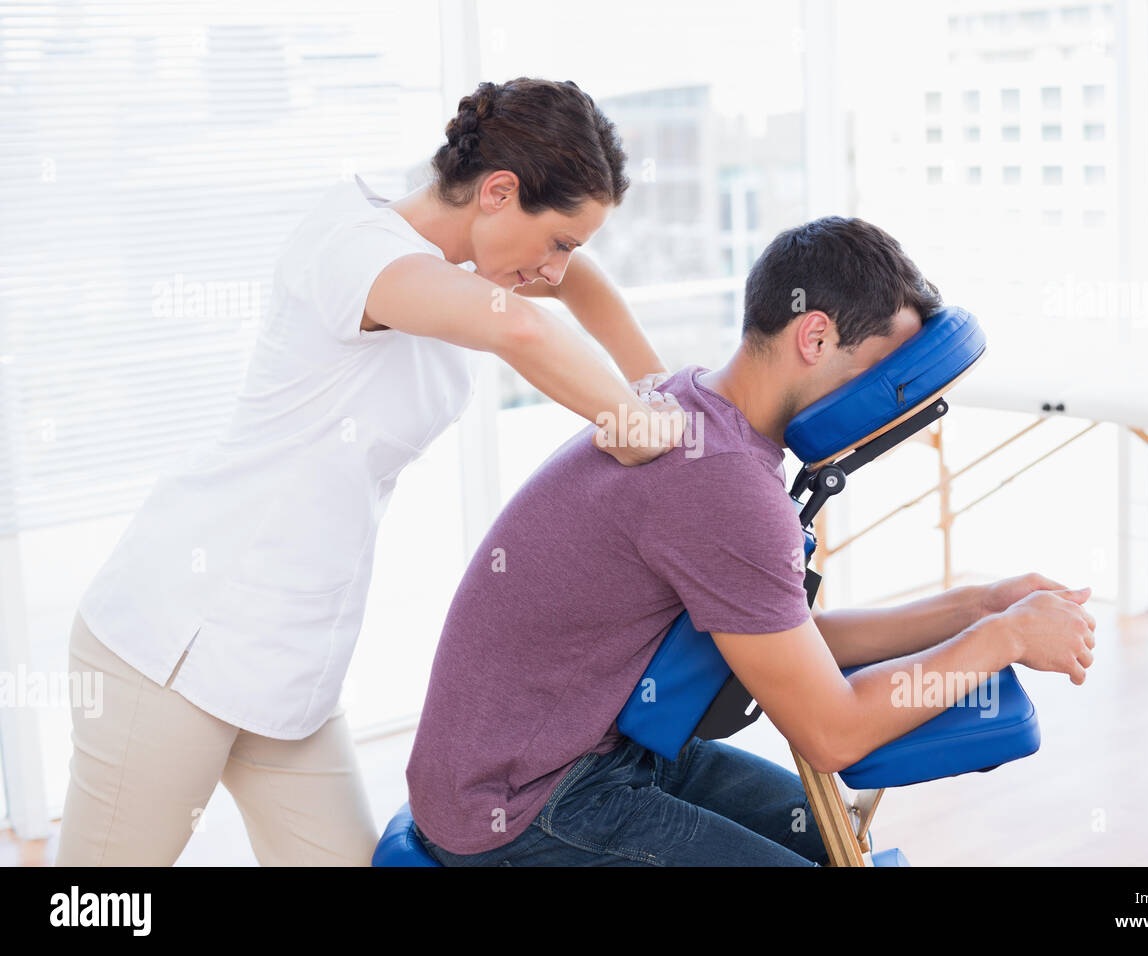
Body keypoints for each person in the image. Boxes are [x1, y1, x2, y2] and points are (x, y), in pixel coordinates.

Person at [56, 77, 684, 866]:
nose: (558, 269)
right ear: (497, 190)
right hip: (177, 644)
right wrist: (634, 429)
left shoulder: (461, 257)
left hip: (289, 666)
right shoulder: (362, 253)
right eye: (558, 241)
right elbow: (520, 330)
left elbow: (574, 287)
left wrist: (666, 396)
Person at [405, 216, 1097, 866]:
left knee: (828, 843)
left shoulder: (697, 406)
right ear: (816, 337)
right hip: (520, 800)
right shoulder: (724, 488)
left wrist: (979, 605)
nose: (886, 406)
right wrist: (1004, 640)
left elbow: (791, 637)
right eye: (883, 376)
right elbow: (833, 733)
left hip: (598, 744)